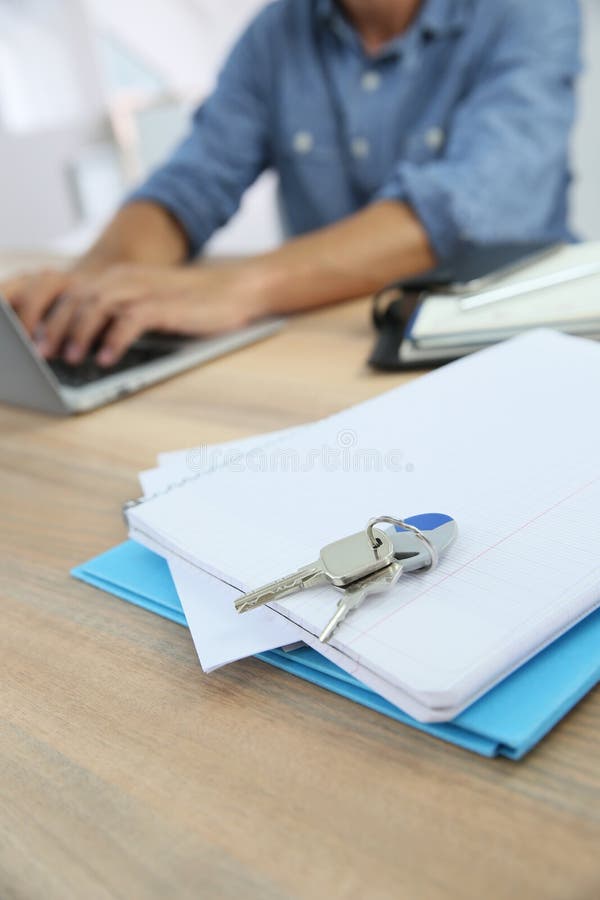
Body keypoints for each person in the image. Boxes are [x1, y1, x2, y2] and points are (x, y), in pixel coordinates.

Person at [1, 0, 580, 367]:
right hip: (340, 348)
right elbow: (191, 182)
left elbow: (473, 204)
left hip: (524, 342)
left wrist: (239, 287)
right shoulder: (274, 32)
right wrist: (91, 283)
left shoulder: (528, 11)